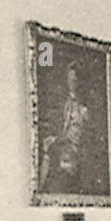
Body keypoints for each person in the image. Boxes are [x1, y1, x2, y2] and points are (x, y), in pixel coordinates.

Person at [40, 63, 90, 193]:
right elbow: (64, 127)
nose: (70, 84)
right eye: (69, 80)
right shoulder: (68, 103)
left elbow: (75, 135)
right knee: (45, 146)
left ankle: (41, 190)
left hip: (75, 150)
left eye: (73, 80)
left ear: (79, 82)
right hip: (66, 146)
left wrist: (56, 140)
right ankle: (40, 189)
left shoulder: (83, 108)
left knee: (50, 150)